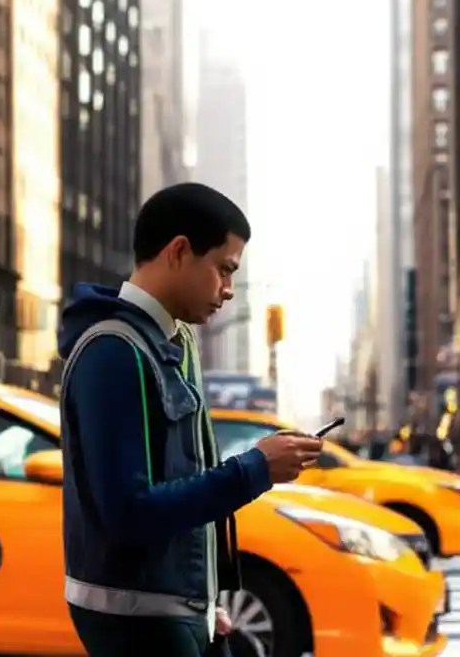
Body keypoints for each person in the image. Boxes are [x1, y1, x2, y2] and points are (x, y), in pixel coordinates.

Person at [57, 182, 325, 657]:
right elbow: (129, 513)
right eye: (224, 270)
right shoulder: (115, 352)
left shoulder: (174, 342)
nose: (228, 291)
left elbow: (185, 481)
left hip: (173, 609)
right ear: (179, 251)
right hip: (137, 619)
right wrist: (255, 468)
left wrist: (202, 604)